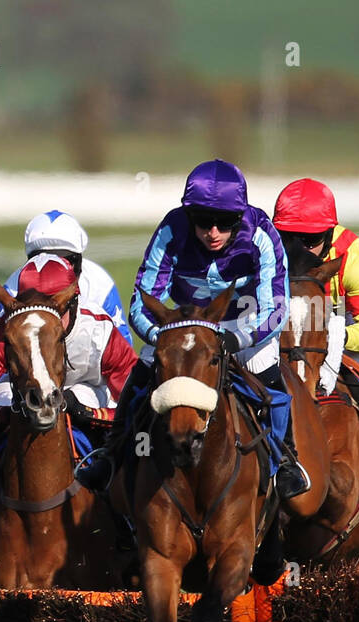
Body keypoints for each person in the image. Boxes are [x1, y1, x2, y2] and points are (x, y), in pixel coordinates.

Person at [77, 159, 310, 500]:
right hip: (182, 328)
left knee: (268, 374)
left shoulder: (261, 234)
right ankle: (112, 455)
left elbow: (275, 309)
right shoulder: (171, 230)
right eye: (202, 221)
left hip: (244, 325)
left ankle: (284, 459)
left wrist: (238, 339)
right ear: (189, 216)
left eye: (224, 223)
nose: (212, 232)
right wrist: (163, 338)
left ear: (240, 217)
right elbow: (142, 302)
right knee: (142, 372)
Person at [0, 228, 138, 553]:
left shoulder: (101, 333)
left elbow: (138, 405)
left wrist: (92, 414)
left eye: (53, 310)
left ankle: (127, 518)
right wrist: (1, 416)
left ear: (73, 300)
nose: (40, 320)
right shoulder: (8, 330)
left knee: (105, 413)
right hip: (25, 396)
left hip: (85, 398)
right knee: (1, 397)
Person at [272, 177, 359, 479]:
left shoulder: (348, 251)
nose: (299, 249)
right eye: (289, 238)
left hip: (331, 328)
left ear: (328, 235)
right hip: (277, 332)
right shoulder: (264, 248)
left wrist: (335, 337)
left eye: (310, 240)